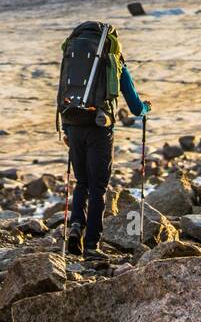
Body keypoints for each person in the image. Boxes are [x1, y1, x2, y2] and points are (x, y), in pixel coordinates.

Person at [60, 23, 149, 263]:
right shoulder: (114, 60)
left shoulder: (74, 59)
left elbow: (63, 92)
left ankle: (76, 225)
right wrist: (145, 108)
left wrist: (67, 127)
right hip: (100, 128)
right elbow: (134, 104)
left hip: (74, 123)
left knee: (82, 183)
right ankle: (91, 246)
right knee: (98, 188)